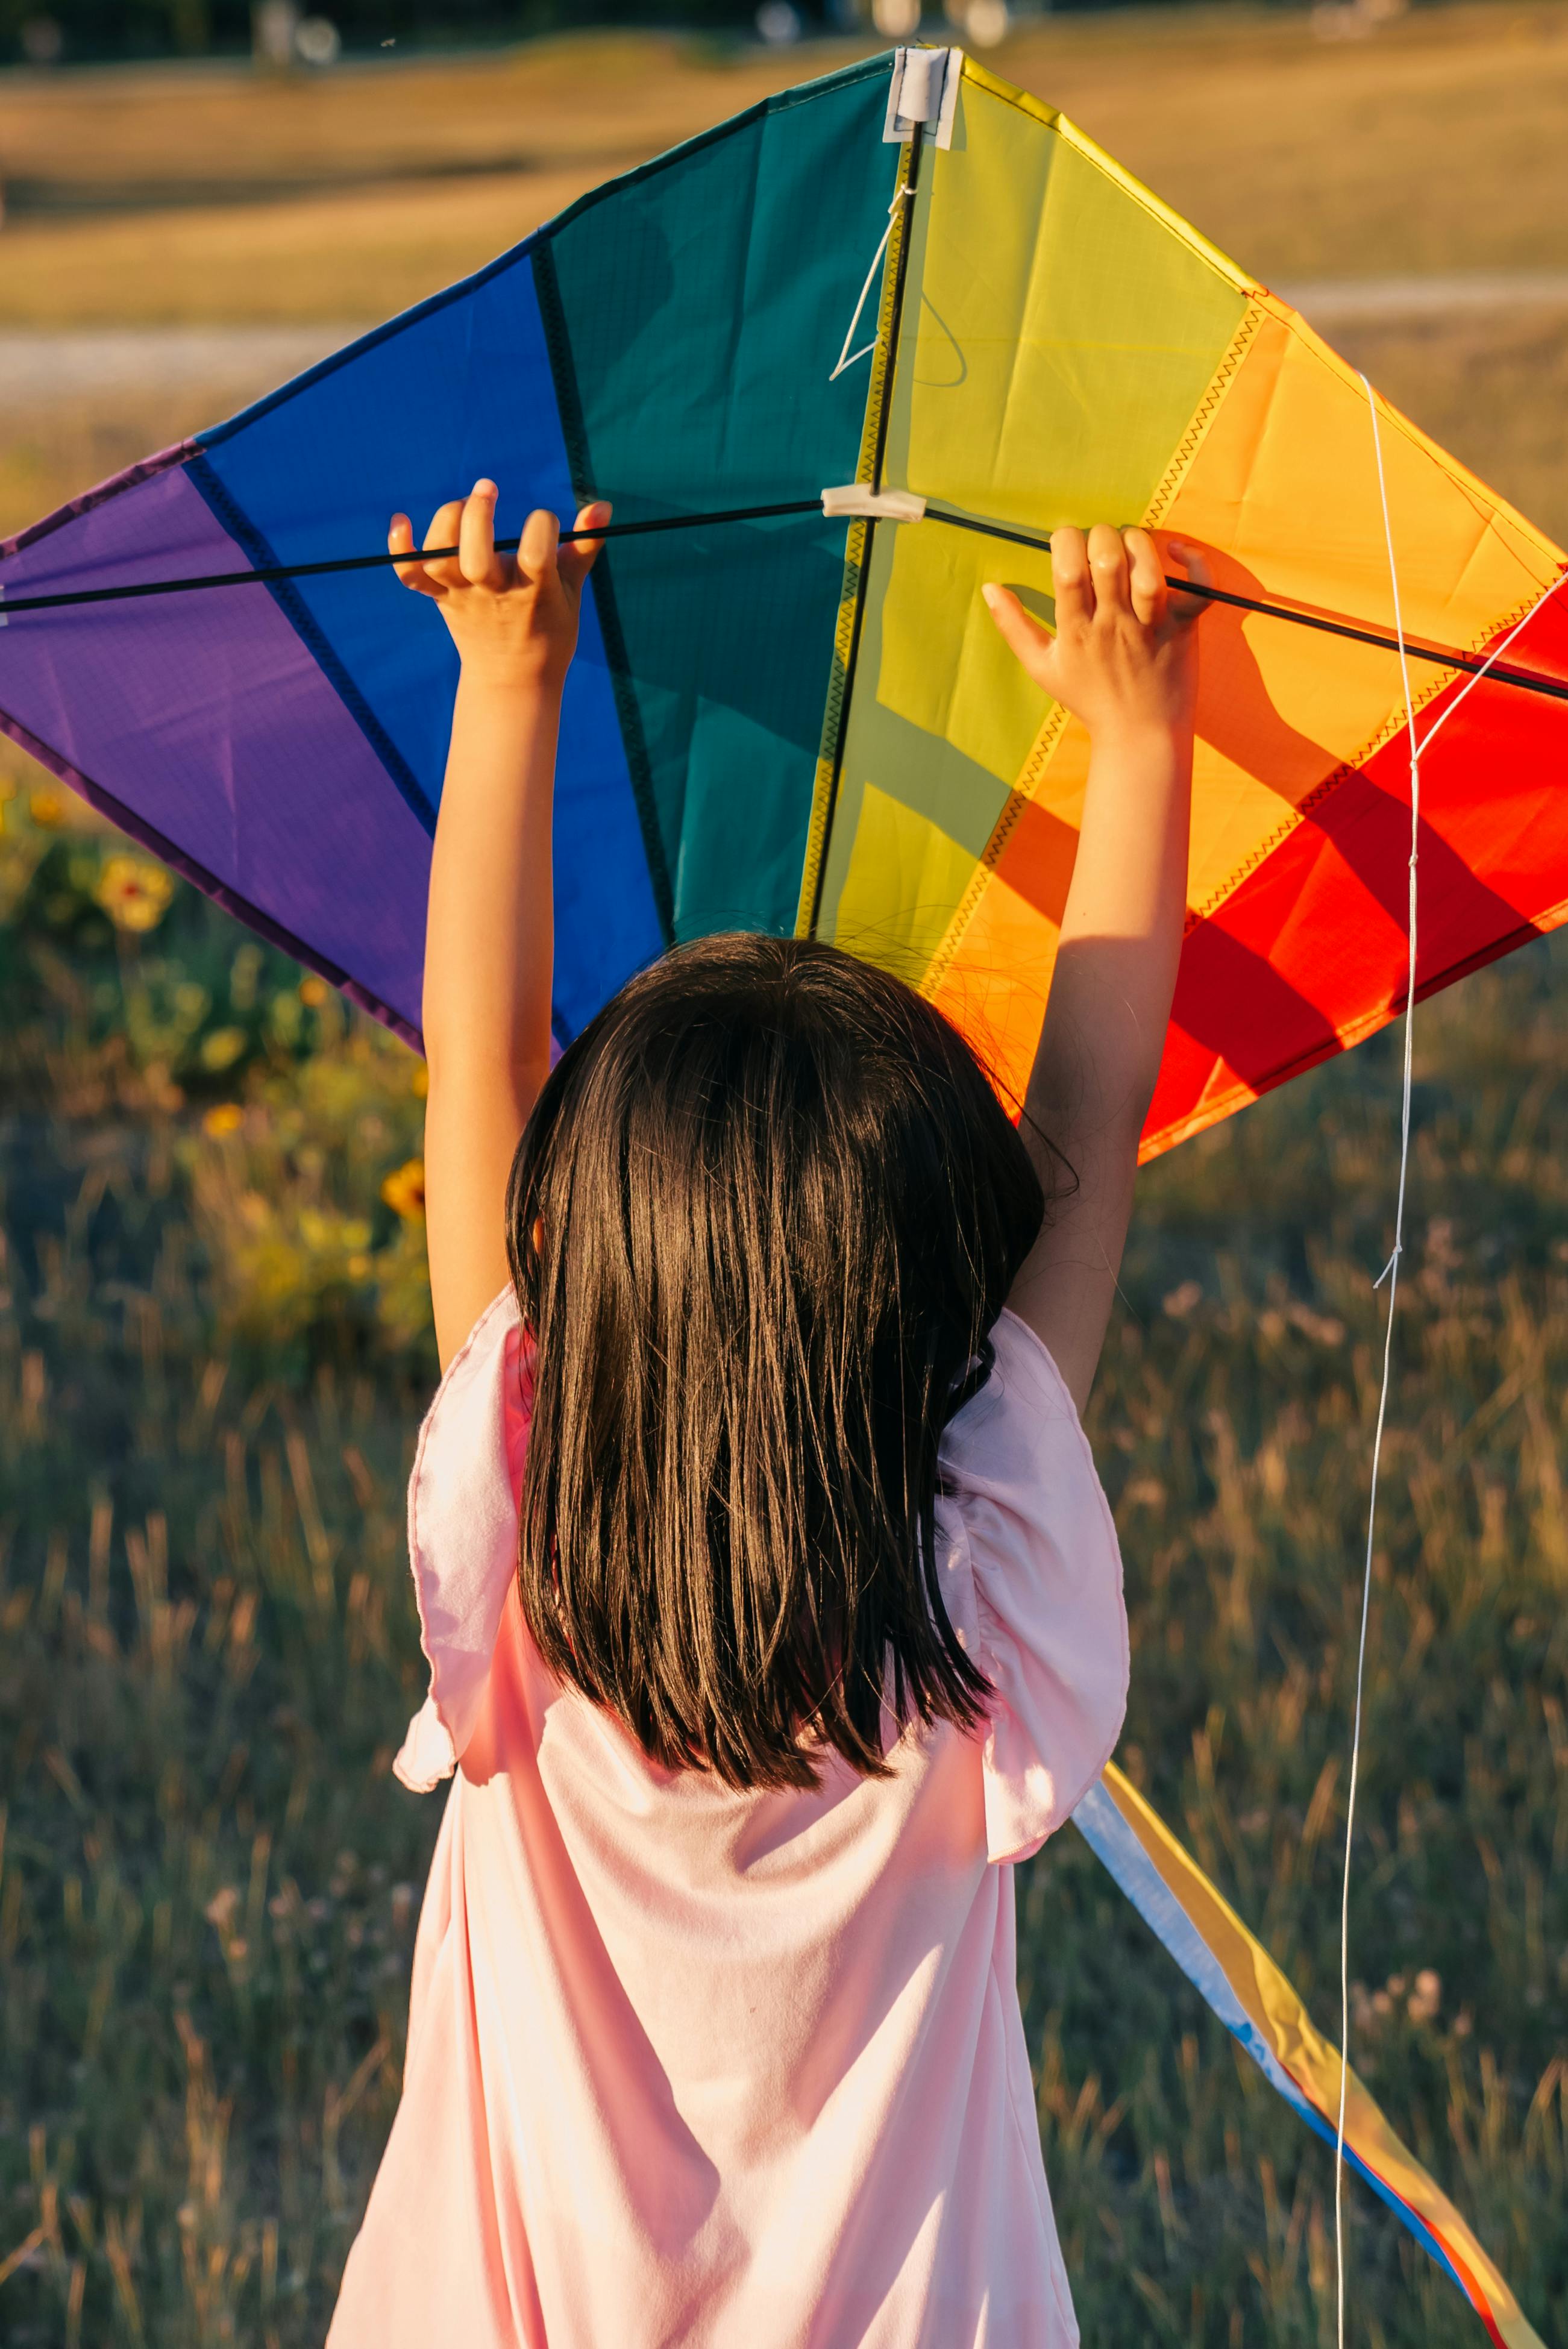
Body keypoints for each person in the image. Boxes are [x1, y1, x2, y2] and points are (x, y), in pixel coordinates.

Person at [327, 481, 1204, 2347]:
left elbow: (478, 1063)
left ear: (575, 1275)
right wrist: (1140, 739)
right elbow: (1084, 1137)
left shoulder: (523, 1532)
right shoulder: (971, 1600)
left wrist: (510, 679)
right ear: (928, 1314)